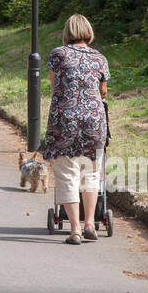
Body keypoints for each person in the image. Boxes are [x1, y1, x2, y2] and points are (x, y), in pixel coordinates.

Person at [41, 14, 110, 245]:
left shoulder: (58, 54)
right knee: (90, 174)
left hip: (65, 121)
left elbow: (54, 87)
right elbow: (103, 92)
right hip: (94, 121)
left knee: (67, 175)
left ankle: (75, 231)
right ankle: (90, 223)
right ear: (89, 32)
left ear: (67, 32)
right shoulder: (100, 58)